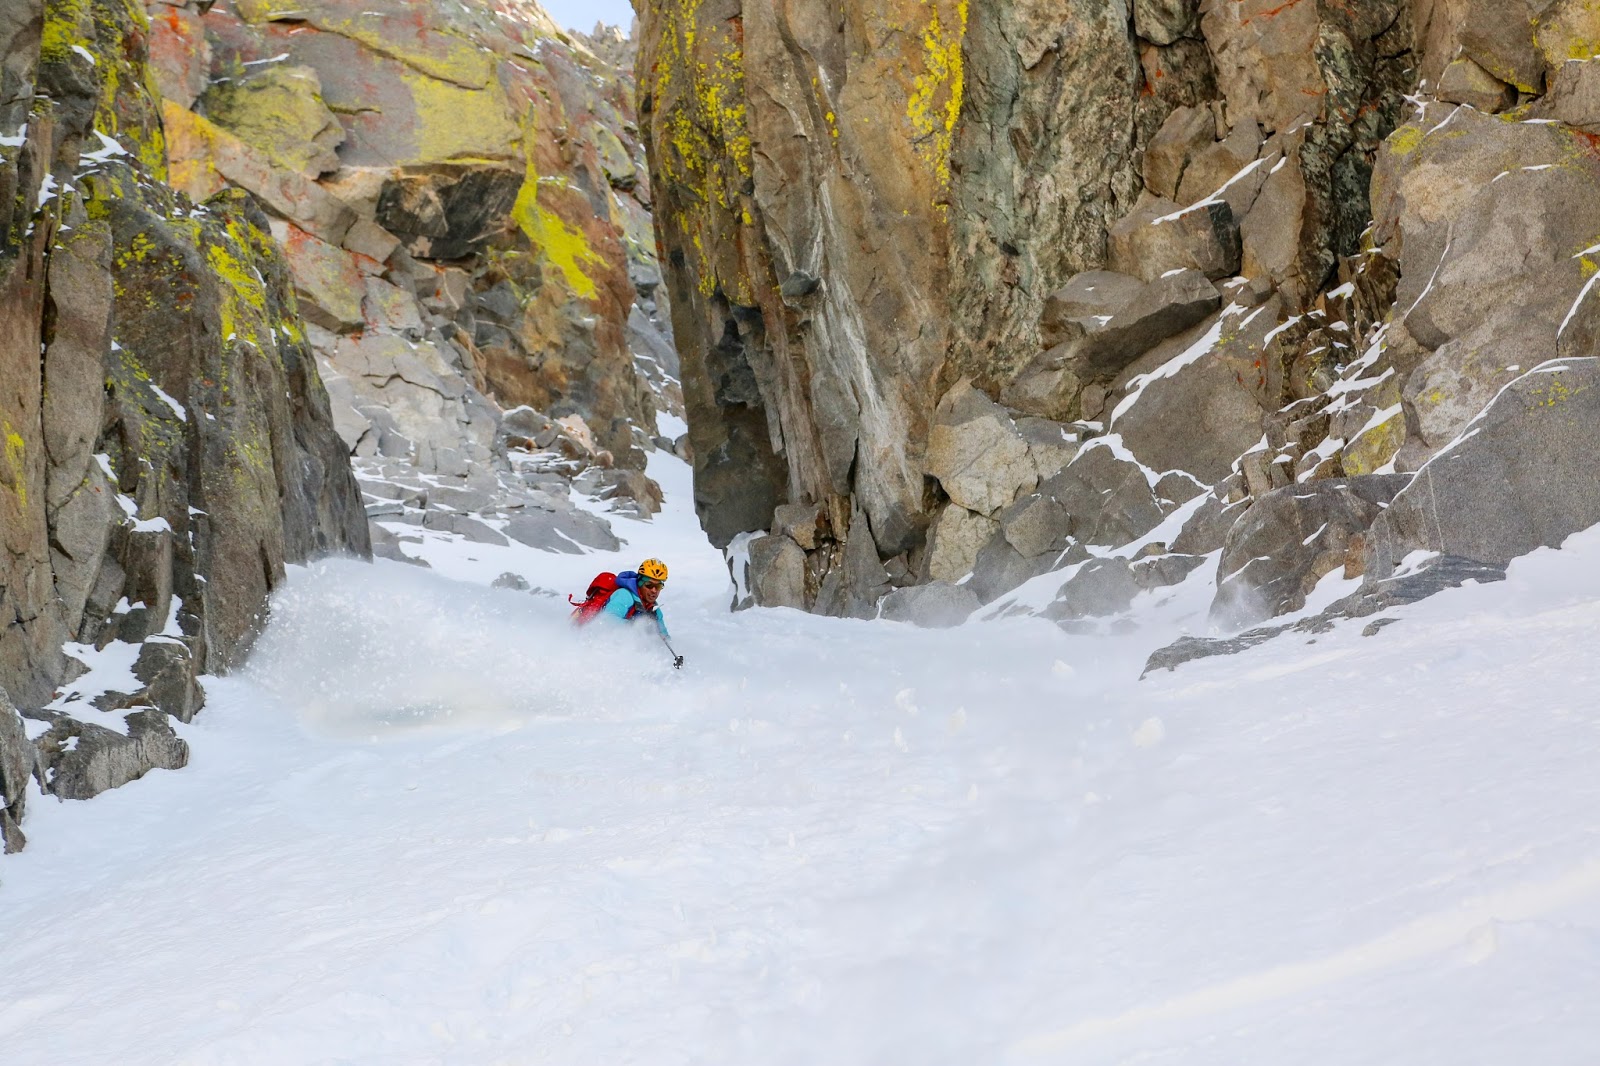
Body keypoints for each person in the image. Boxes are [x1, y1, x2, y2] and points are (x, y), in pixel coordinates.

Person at [598, 558, 672, 641]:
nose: (654, 590)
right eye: (649, 585)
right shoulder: (624, 595)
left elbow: (665, 637)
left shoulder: (654, 611)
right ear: (640, 583)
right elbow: (607, 619)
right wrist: (638, 627)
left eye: (658, 586)